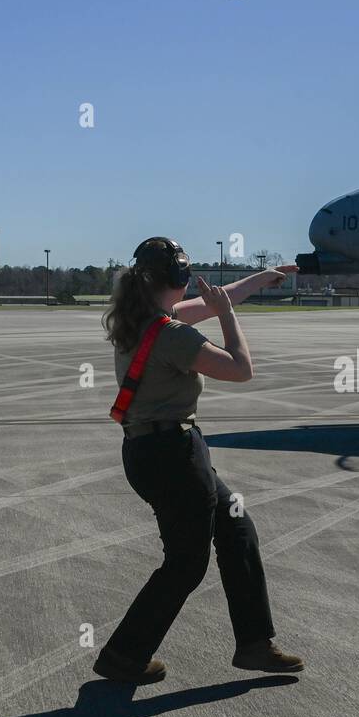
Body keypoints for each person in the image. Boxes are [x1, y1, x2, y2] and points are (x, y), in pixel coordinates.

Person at [94, 236, 303, 684]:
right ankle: (123, 655)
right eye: (185, 278)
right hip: (174, 457)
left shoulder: (140, 322)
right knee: (186, 564)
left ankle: (254, 644)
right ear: (175, 280)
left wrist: (262, 280)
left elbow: (208, 305)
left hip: (151, 451)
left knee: (237, 529)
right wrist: (228, 314)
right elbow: (240, 368)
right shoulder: (171, 335)